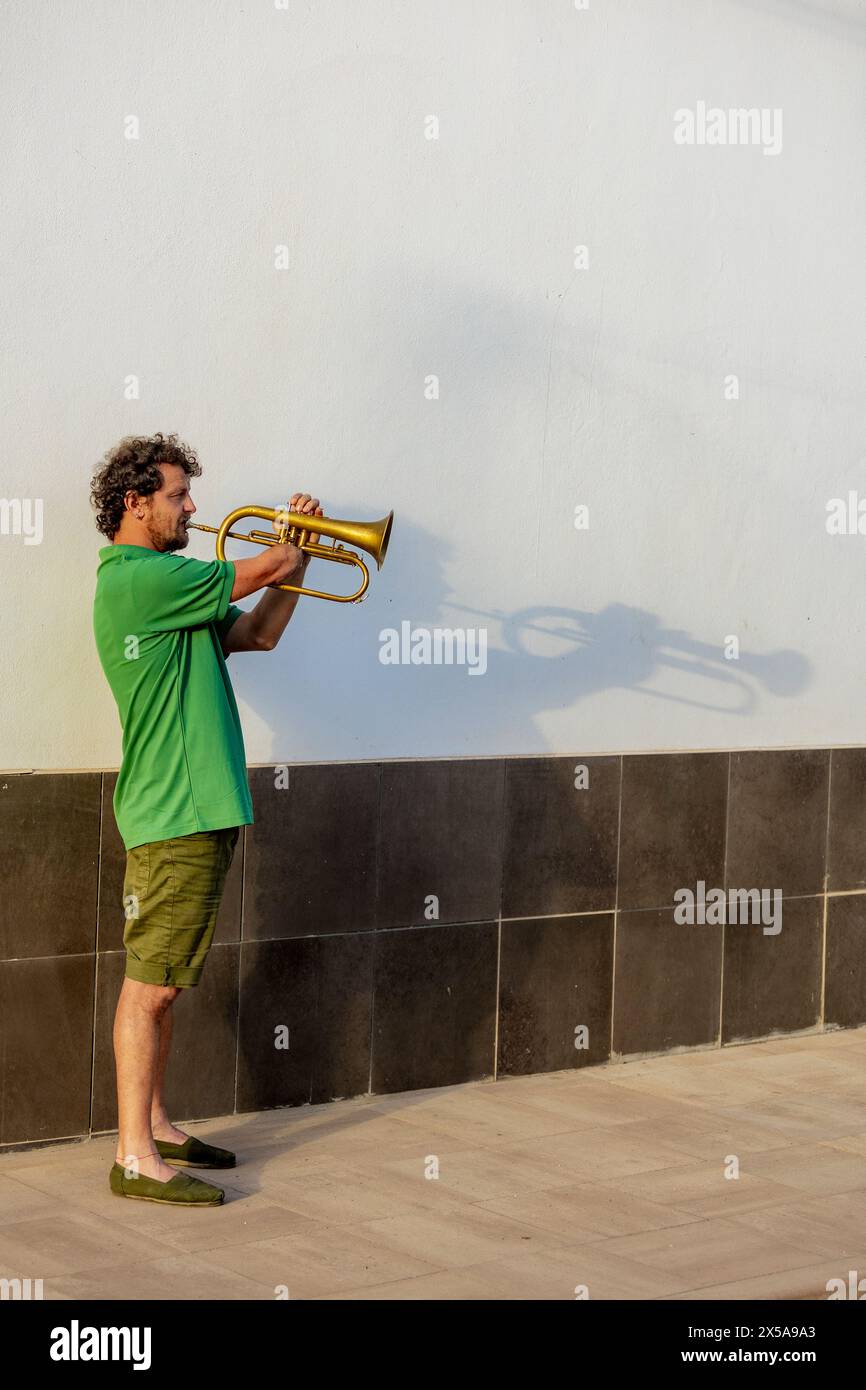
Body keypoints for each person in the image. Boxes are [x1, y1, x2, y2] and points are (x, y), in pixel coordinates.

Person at [91, 432, 322, 1206]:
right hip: (173, 813)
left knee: (164, 986)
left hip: (196, 809)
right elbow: (260, 568)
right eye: (178, 495)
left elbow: (260, 629)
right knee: (148, 989)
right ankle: (133, 1158)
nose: (192, 507)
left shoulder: (174, 596)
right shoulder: (140, 579)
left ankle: (152, 1126)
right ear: (136, 502)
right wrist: (293, 545)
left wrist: (304, 560)